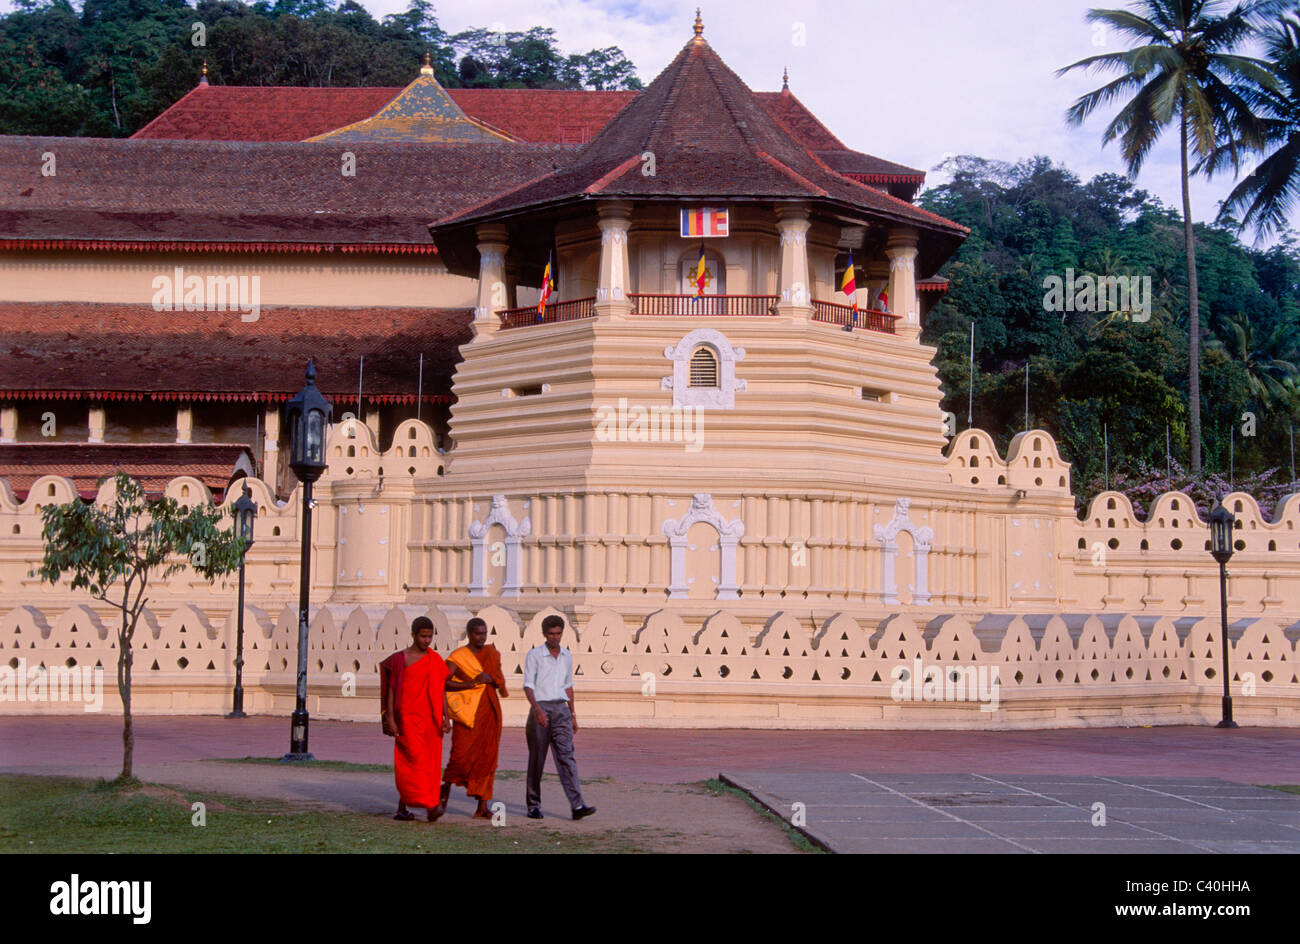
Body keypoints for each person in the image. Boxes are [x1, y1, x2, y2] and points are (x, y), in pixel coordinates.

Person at [379, 616, 471, 822]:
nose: (427, 641)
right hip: (407, 718)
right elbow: (392, 690)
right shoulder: (401, 659)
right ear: (413, 635)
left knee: (430, 765)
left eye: (429, 637)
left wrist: (446, 717)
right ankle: (431, 805)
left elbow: (441, 691)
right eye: (423, 636)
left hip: (430, 719)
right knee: (412, 761)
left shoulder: (435, 659)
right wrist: (390, 718)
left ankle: (405, 808)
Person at [523, 614, 596, 821]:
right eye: (551, 634)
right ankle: (533, 805)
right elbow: (528, 685)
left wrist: (573, 714)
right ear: (545, 634)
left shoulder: (566, 656)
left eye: (558, 633)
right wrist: (537, 710)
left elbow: (568, 686)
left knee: (567, 757)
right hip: (541, 708)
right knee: (537, 760)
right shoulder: (535, 655)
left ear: (562, 633)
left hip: (561, 709)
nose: (555, 637)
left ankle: (577, 805)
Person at [440, 616, 508, 818]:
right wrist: (470, 684)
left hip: (489, 712)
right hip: (467, 715)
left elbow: (499, 679)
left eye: (484, 633)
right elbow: (443, 682)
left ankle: (482, 806)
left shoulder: (492, 653)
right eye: (478, 633)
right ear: (469, 634)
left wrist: (493, 679)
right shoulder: (459, 656)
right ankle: (446, 788)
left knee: (488, 756)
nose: (482, 637)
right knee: (459, 756)